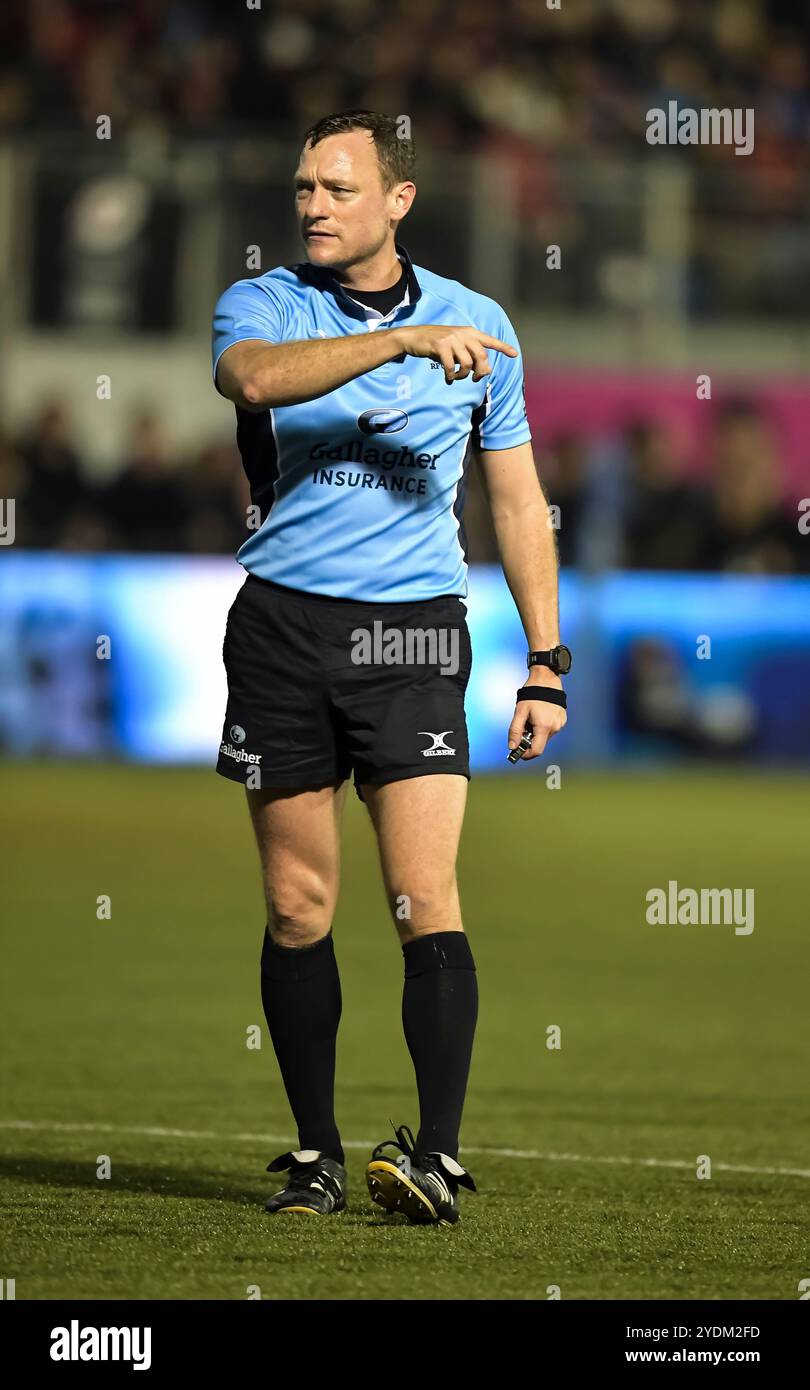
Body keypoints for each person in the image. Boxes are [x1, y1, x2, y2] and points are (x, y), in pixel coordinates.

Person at [211, 110, 567, 1226]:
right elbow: (254, 382)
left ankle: (438, 1156)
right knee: (297, 901)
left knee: (423, 892)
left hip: (410, 633)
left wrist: (546, 661)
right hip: (282, 628)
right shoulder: (265, 301)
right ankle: (315, 1154)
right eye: (304, 185)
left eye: (337, 187)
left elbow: (513, 497)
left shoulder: (483, 324)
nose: (312, 205)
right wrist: (400, 344)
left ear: (397, 201)